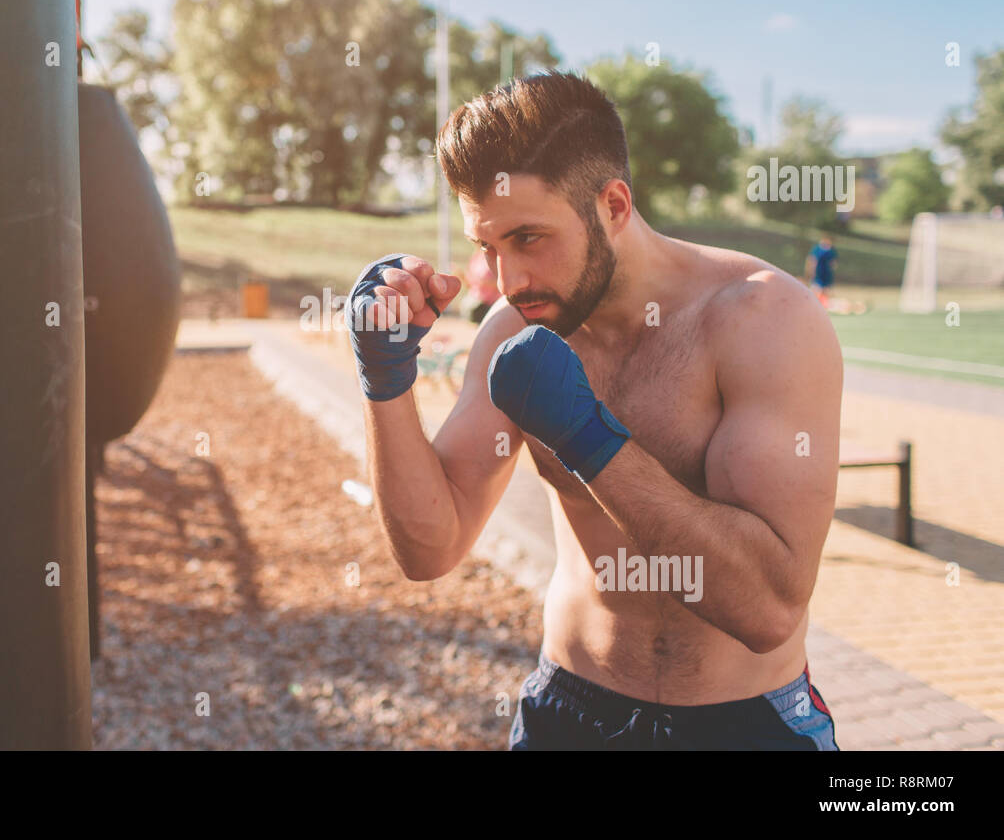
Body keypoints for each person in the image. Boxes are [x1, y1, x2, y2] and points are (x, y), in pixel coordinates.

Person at [345, 71, 841, 750]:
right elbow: (431, 549)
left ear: (612, 204)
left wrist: (587, 439)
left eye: (528, 238)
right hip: (568, 713)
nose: (508, 279)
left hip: (743, 723)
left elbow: (768, 609)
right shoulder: (511, 327)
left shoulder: (762, 319)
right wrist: (385, 381)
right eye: (488, 247)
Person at [461, 248, 500, 324]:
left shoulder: (495, 256)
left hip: (489, 304)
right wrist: (462, 278)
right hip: (475, 302)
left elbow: (500, 282)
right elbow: (470, 285)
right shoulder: (476, 256)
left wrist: (482, 282)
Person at [806, 236, 838, 307]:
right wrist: (811, 270)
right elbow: (812, 259)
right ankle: (813, 304)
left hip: (827, 273)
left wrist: (833, 268)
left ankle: (823, 305)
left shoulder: (831, 250)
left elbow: (833, 262)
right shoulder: (817, 249)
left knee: (825, 290)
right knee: (816, 289)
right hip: (818, 272)